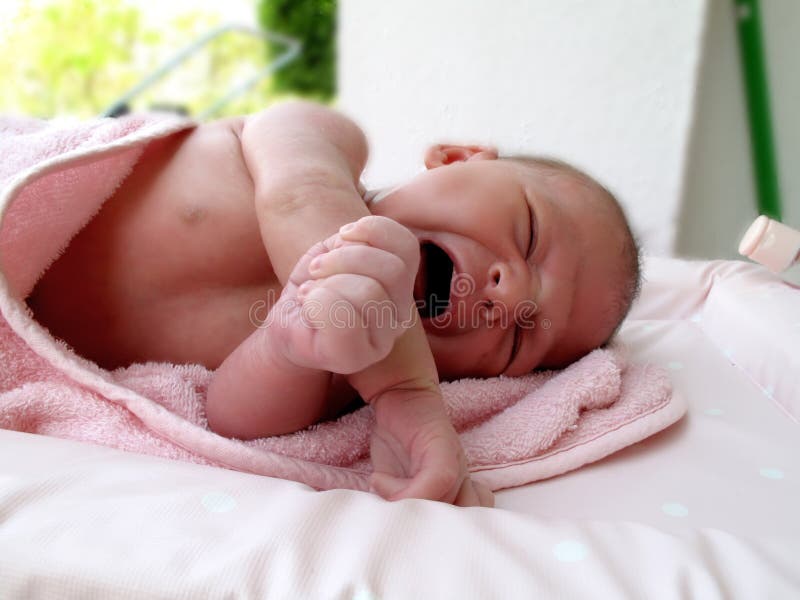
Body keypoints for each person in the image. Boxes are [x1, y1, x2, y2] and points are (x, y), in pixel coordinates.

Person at [26, 101, 640, 507]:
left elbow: (232, 417)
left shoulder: (342, 379)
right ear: (455, 159)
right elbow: (302, 198)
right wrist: (407, 395)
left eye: (519, 338)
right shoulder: (329, 143)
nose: (511, 295)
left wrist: (284, 350)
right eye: (531, 234)